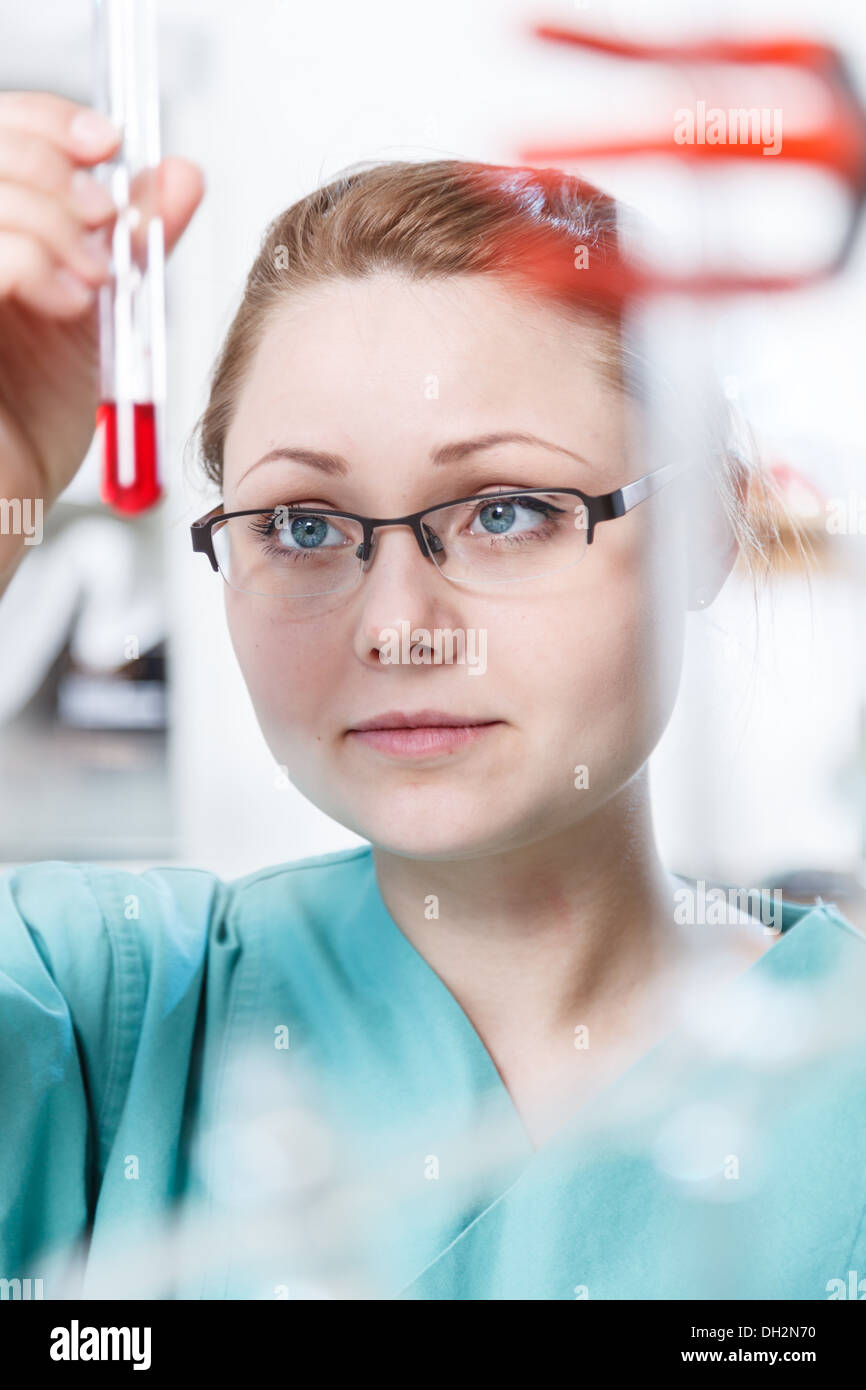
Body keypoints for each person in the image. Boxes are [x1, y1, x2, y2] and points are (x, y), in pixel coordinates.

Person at [0, 92, 864, 1302]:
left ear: (708, 528)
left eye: (506, 510)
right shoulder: (89, 1010)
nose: (396, 628)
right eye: (302, 526)